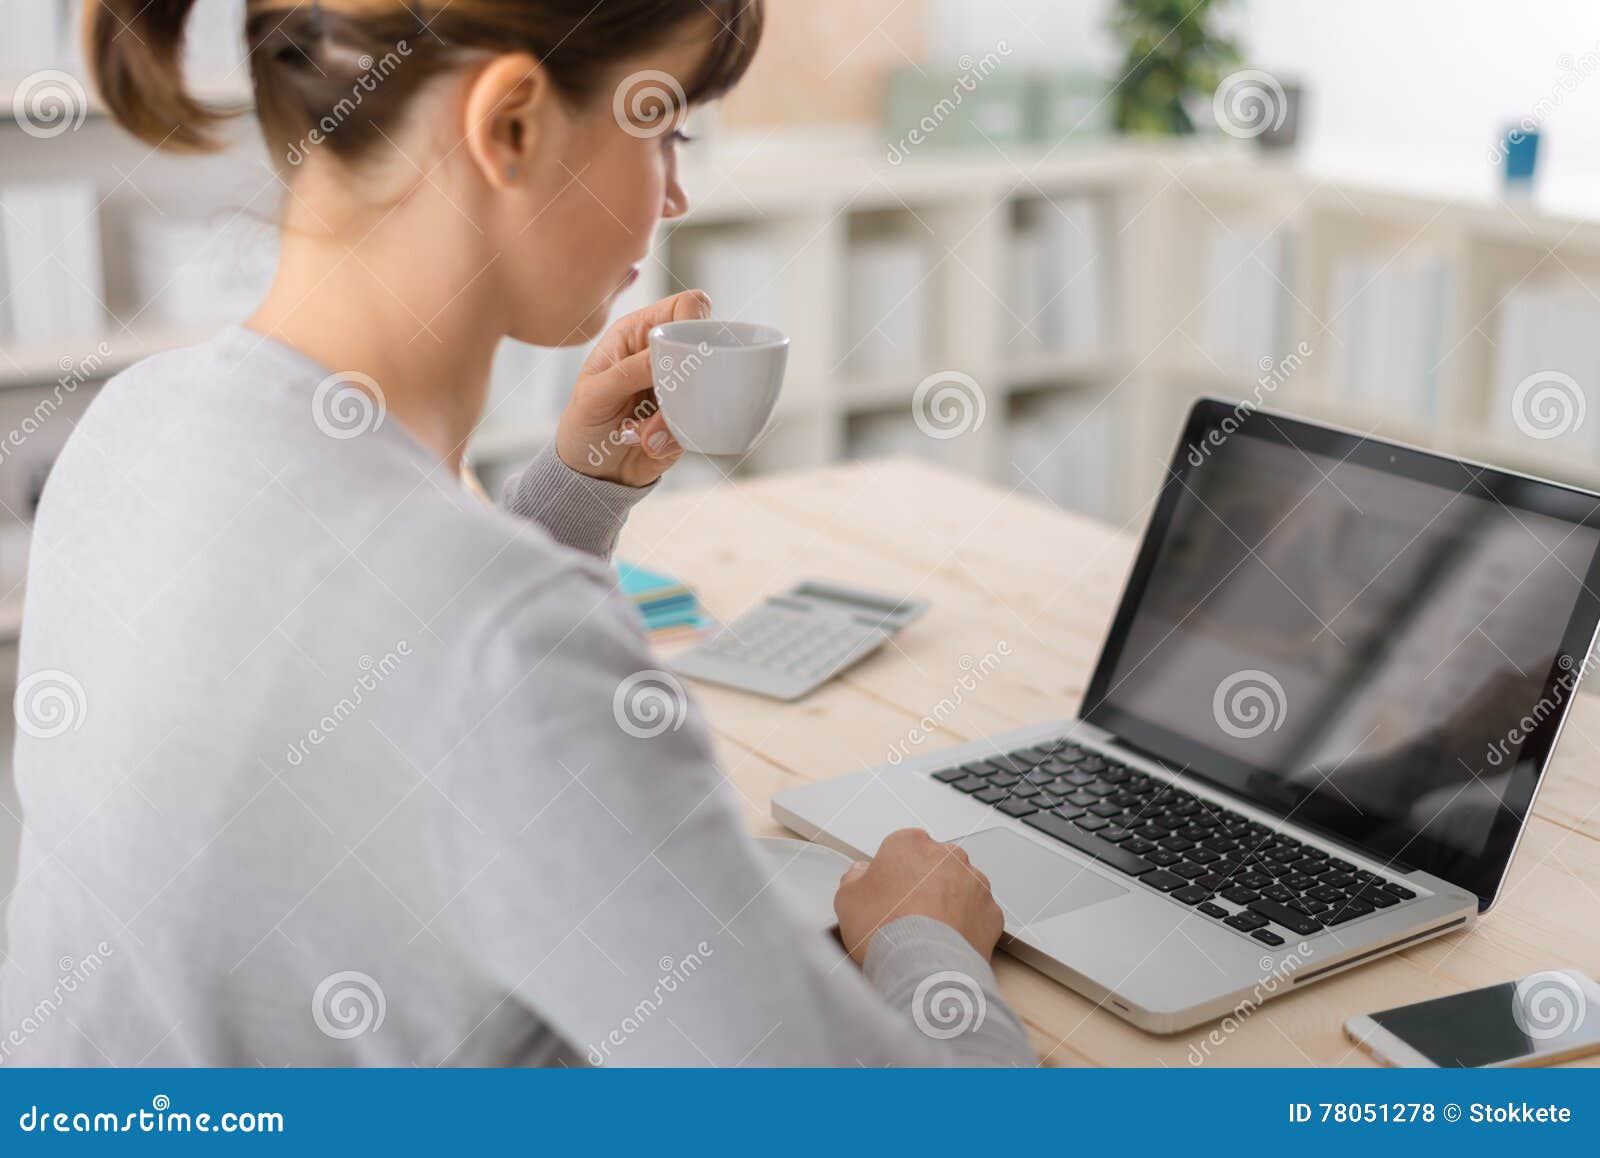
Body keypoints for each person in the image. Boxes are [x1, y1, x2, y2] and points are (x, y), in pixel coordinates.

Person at [0, 0, 1033, 1066]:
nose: (675, 191)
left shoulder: (134, 422)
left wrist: (571, 494)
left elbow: (386, 704)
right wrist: (924, 942)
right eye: (664, 128)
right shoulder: (504, 643)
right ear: (511, 126)